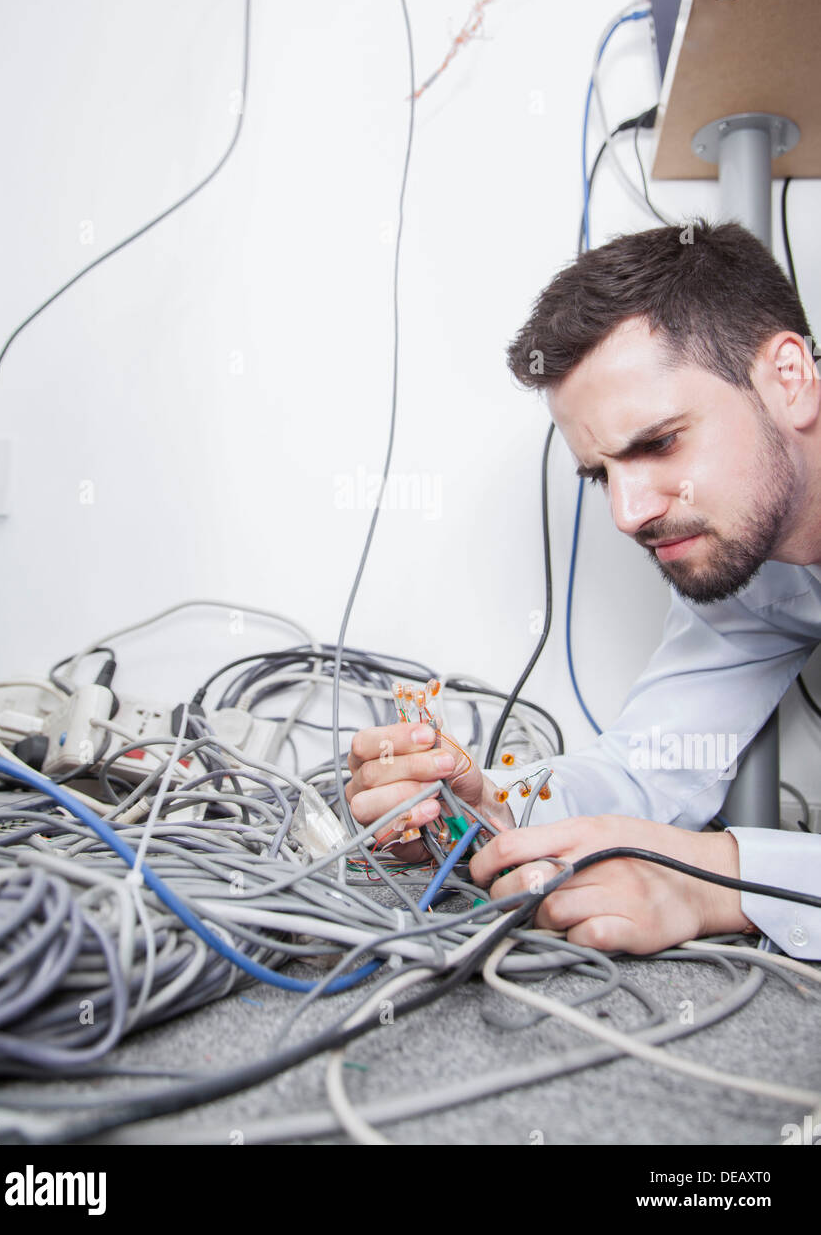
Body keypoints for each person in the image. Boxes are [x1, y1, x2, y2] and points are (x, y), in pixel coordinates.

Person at [346, 220, 821, 958]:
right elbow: (647, 769)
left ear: (788, 378)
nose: (629, 516)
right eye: (602, 475)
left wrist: (714, 883)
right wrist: (491, 808)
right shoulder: (750, 566)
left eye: (659, 443)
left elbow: (702, 873)